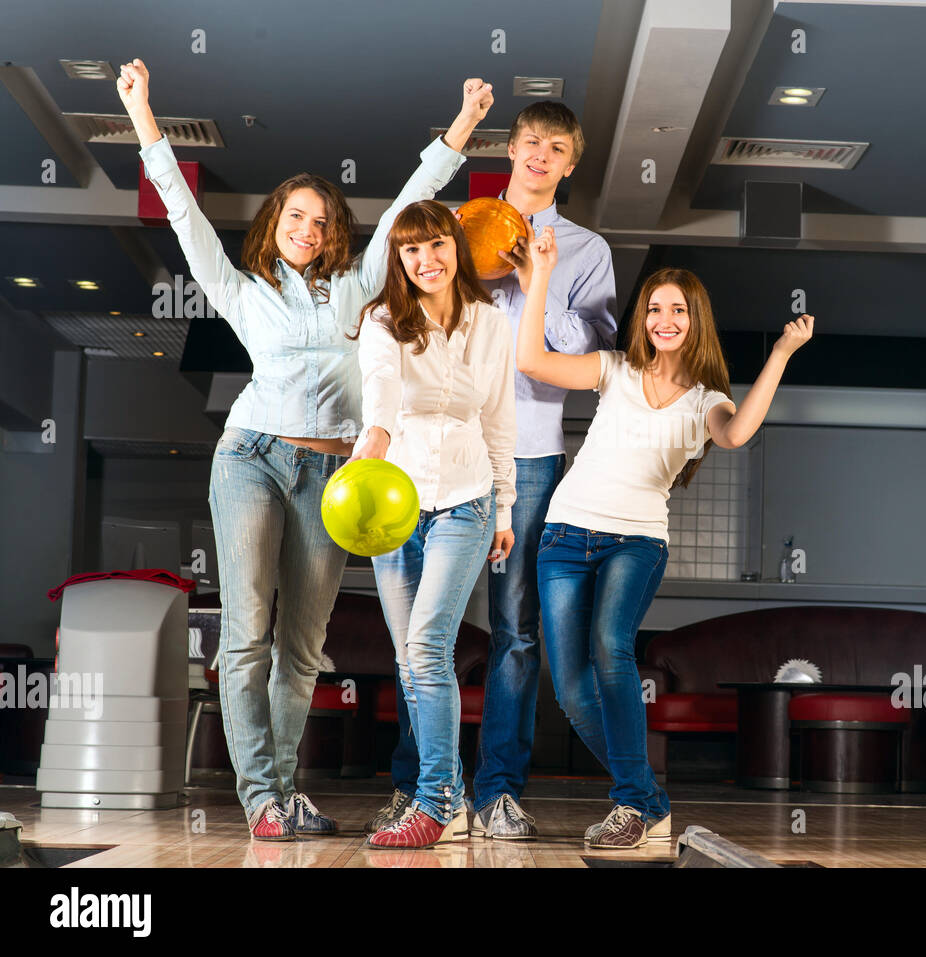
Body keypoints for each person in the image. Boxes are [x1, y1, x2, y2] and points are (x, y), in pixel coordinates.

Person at [116, 57, 492, 841]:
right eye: (296, 218)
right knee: (249, 629)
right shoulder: (242, 290)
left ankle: (284, 793)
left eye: (322, 221)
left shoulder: (360, 290)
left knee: (303, 646)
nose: (309, 230)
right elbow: (185, 216)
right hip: (252, 457)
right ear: (273, 224)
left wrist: (458, 131)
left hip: (335, 475)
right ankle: (262, 799)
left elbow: (404, 212)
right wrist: (146, 119)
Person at [516, 242, 814, 849]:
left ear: (694, 320)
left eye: (677, 309)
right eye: (655, 309)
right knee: (571, 693)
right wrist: (540, 274)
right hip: (565, 534)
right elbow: (530, 359)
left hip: (637, 540)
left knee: (610, 647)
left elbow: (735, 436)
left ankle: (631, 805)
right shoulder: (614, 369)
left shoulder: (707, 399)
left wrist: (780, 353)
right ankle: (649, 801)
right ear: (643, 319)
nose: (665, 320)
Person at [467, 101, 617, 840]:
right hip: (447, 448)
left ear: (569, 164)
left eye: (556, 148)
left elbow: (587, 362)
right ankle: (418, 789)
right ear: (511, 147)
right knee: (421, 635)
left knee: (515, 631)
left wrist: (534, 280)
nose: (540, 155)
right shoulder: (458, 227)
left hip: (529, 455)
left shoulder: (586, 250)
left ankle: (495, 792)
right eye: (531, 141)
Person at [352, 199, 517, 849]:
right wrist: (376, 437)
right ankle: (437, 792)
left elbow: (500, 419)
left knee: (427, 648)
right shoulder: (383, 320)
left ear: (458, 245)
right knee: (408, 658)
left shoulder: (490, 323)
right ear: (399, 258)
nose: (426, 259)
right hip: (393, 504)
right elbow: (382, 389)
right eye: (411, 249)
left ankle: (439, 800)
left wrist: (505, 505)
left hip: (467, 502)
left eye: (437, 244)